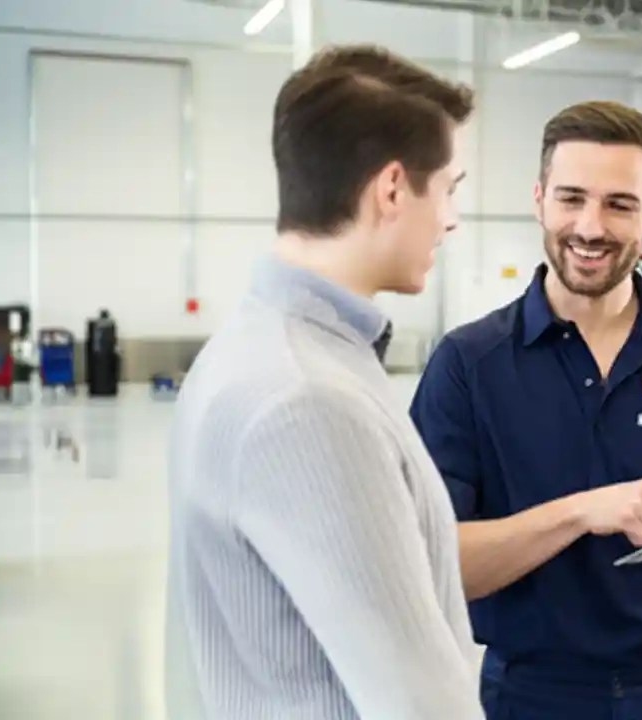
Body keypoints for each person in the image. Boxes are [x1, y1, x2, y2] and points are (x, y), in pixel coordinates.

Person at [410, 100, 642, 719]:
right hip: (528, 697)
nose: (590, 227)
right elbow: (429, 564)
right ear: (538, 199)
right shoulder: (468, 366)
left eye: (619, 204)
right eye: (571, 198)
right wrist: (585, 511)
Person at [164, 45, 485, 720]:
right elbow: (419, 703)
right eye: (449, 188)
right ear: (393, 188)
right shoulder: (306, 399)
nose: (452, 218)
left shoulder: (249, 353)